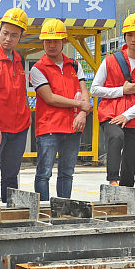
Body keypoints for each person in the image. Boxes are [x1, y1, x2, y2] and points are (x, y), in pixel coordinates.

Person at [92, 12, 135, 187]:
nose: (134, 39)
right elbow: (95, 89)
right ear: (124, 37)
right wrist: (122, 90)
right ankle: (113, 180)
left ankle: (126, 190)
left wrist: (127, 116)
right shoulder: (110, 61)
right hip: (111, 113)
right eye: (129, 35)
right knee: (116, 136)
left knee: (130, 159)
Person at [30, 19, 91, 201]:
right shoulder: (37, 69)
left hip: (72, 127)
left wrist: (82, 113)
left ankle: (64, 208)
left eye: (56, 41)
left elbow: (84, 91)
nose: (51, 45)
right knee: (44, 173)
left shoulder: (74, 65)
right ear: (42, 42)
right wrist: (80, 106)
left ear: (64, 41)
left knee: (67, 172)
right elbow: (49, 97)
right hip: (49, 128)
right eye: (48, 41)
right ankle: (44, 210)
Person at [0, 7, 31, 202]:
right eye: (5, 33)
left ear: (20, 37)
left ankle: (11, 215)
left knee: (11, 175)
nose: (8, 39)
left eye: (14, 35)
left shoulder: (19, 60)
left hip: (19, 128)